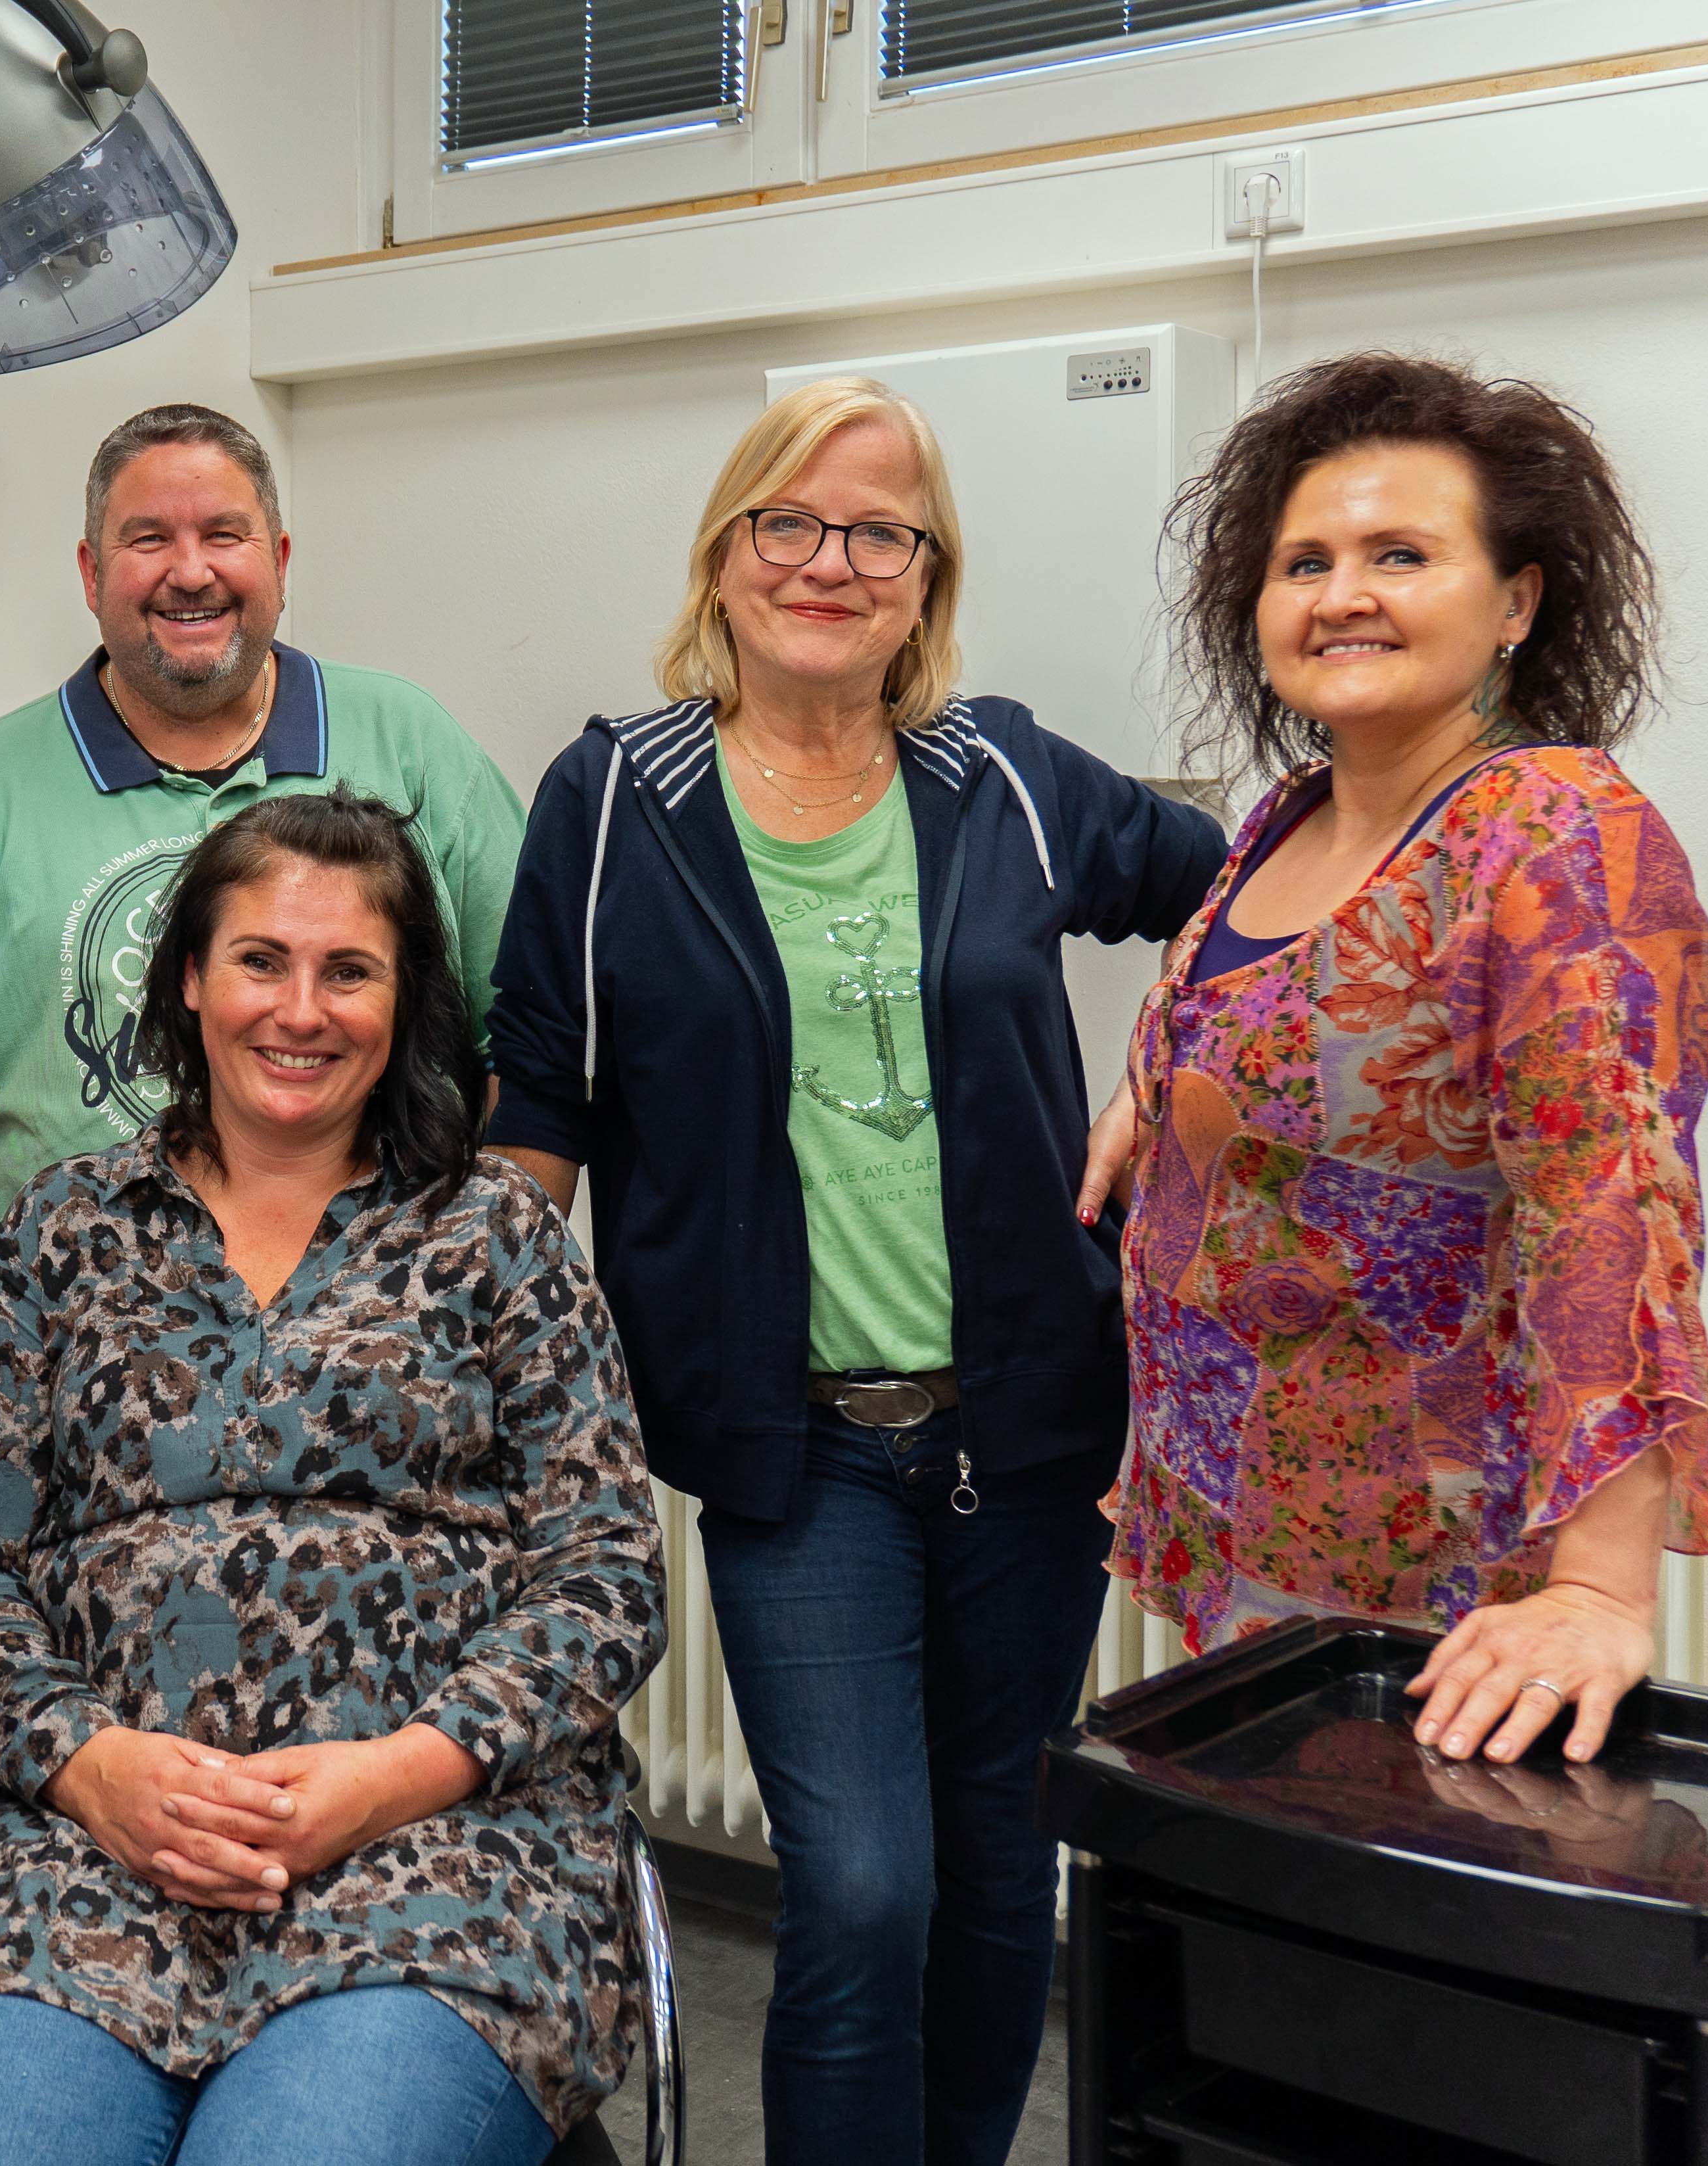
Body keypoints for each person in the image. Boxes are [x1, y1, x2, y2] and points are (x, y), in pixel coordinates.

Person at [483, 376, 1226, 2166]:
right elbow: (540, 1098)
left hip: (1026, 1427)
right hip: (793, 1446)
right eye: (789, 522)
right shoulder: (614, 799)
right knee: (864, 1885)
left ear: (924, 577)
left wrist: (1153, 1084)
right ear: (724, 552)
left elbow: (1235, 901)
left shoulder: (1001, 778)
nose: (828, 560)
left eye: (877, 532)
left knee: (997, 1874)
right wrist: (475, 1357)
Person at [0, 790, 665, 2166]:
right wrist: (91, 1768)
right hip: (80, 1861)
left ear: (403, 1002)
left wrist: (389, 1778)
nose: (300, 1011)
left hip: (436, 1858)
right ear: (189, 977)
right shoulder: (63, 1231)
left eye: (348, 971)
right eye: (260, 961)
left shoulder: (495, 1233)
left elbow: (603, 1575)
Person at [1111, 352, 1708, 1768]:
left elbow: (1609, 1204)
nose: (1341, 594)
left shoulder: (1548, 835)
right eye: (1303, 562)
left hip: (1449, 1600)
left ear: (1515, 602)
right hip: (1261, 1537)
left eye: (1399, 554)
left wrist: (1595, 1591)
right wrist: (1145, 1098)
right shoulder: (1288, 815)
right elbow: (1278, 1033)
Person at [0, 403, 527, 1401]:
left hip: (387, 1361)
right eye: (148, 540)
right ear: (91, 574)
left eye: (223, 534)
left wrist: (489, 1273)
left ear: (279, 561)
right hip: (72, 1360)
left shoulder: (414, 747)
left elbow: (527, 1045)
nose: (190, 570)